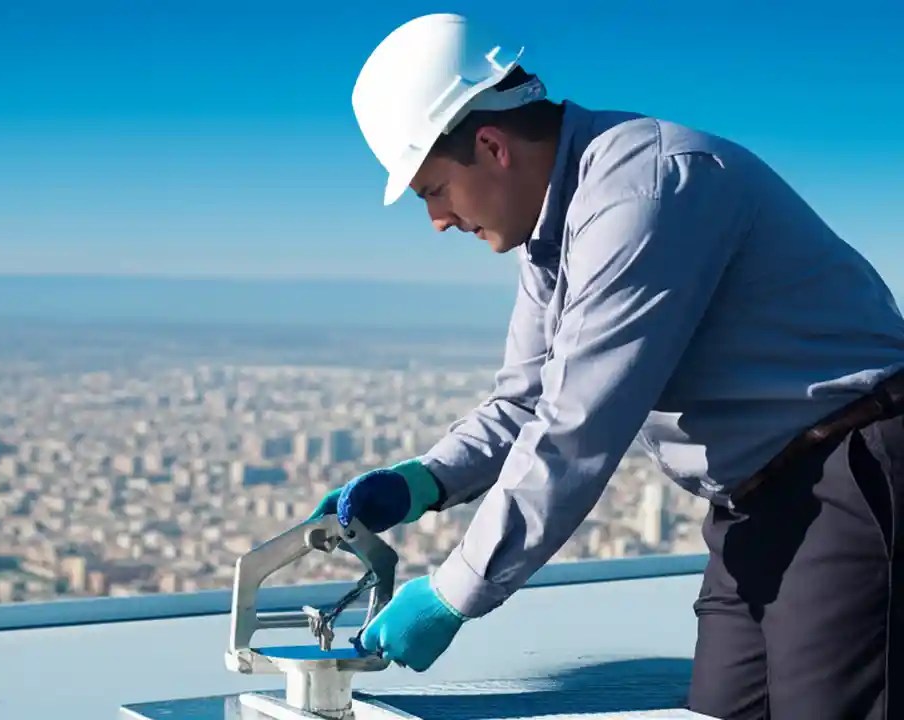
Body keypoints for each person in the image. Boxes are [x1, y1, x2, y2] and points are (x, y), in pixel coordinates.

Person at [309, 12, 904, 720]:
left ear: (492, 145)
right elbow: (525, 403)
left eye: (432, 191)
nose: (437, 221)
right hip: (756, 499)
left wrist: (452, 594)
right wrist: (424, 481)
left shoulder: (643, 195)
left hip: (847, 466)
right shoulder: (556, 232)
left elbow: (577, 428)